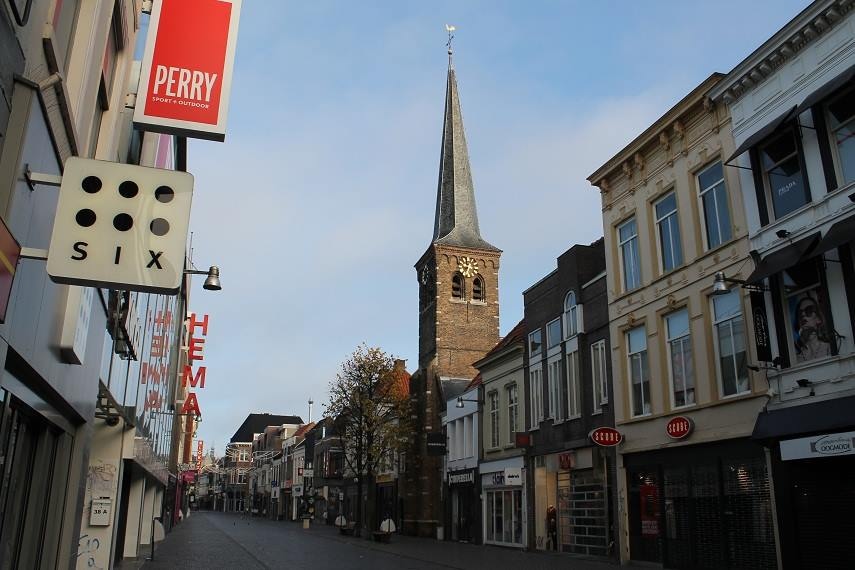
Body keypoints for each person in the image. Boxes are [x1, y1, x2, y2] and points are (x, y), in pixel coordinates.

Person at [794, 293, 832, 362]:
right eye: (800, 313)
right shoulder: (797, 356)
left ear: (818, 319)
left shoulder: (829, 347)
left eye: (809, 310)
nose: (803, 314)